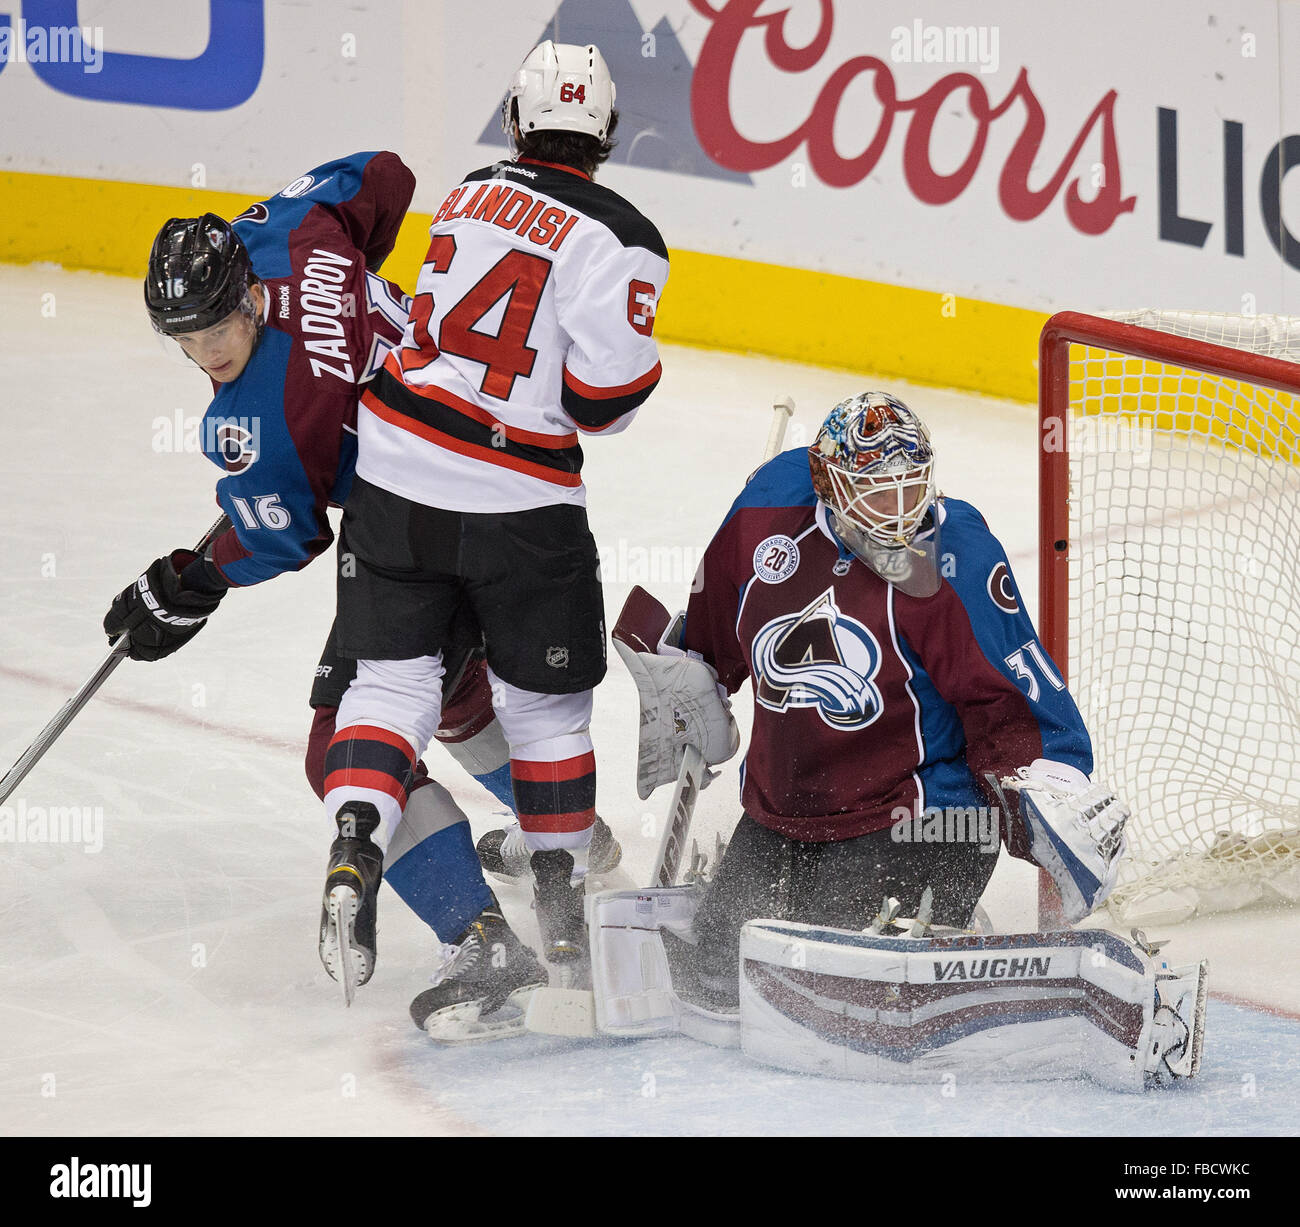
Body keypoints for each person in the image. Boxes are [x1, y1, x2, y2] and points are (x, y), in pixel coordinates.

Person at [599, 392, 1205, 1086]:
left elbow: (1015, 699)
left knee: (836, 997)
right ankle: (894, 920)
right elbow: (712, 629)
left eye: (909, 489)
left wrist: (1051, 786)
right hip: (785, 810)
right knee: (722, 981)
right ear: (826, 485)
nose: (898, 514)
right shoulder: (768, 509)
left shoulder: (953, 555)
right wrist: (691, 677)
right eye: (874, 493)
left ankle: (945, 918)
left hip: (920, 814)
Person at [103, 153, 554, 1026]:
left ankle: (483, 937)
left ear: (244, 295)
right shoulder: (290, 229)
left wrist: (189, 582)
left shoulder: (259, 421)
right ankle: (571, 836)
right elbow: (386, 176)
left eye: (216, 332)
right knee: (452, 692)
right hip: (514, 461)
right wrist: (350, 313)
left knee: (342, 743)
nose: (206, 355)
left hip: (428, 522)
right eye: (186, 340)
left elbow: (286, 535)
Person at [321, 40, 669, 1015]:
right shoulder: (623, 233)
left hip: (394, 483)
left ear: (515, 125)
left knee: (391, 686)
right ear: (604, 136)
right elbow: (602, 402)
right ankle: (562, 913)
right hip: (520, 506)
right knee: (545, 713)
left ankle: (355, 844)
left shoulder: (471, 191)